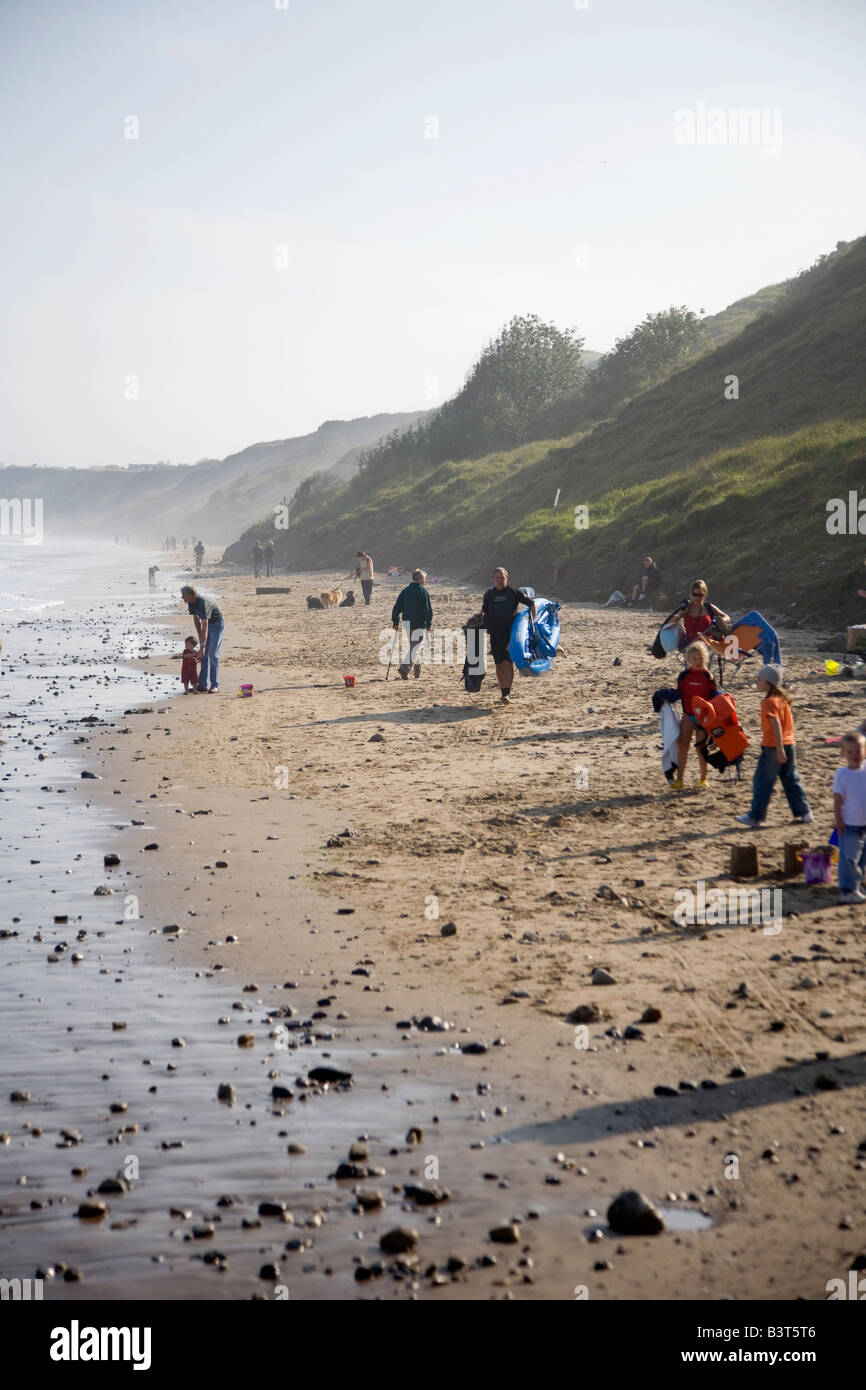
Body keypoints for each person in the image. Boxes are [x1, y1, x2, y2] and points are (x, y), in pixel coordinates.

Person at [735, 664, 813, 828]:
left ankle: (755, 816)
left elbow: (776, 724)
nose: (756, 681)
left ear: (770, 683)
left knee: (762, 781)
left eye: (759, 679)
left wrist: (779, 750)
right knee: (791, 779)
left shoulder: (769, 702)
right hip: (789, 744)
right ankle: (805, 812)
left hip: (773, 747)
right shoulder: (782, 700)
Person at [480, 567, 537, 705]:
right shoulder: (489, 594)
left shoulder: (513, 593)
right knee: (498, 663)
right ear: (493, 579)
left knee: (507, 662)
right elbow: (484, 611)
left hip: (510, 634)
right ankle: (503, 691)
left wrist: (532, 622)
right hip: (495, 633)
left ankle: (507, 693)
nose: (500, 580)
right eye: (497, 578)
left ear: (506, 578)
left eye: (502, 578)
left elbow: (532, 604)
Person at [671, 642, 719, 790]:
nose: (698, 661)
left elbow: (714, 697)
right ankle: (679, 780)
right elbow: (678, 693)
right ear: (688, 659)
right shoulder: (684, 676)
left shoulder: (708, 676)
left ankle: (703, 779)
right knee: (683, 745)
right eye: (694, 658)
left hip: (704, 718)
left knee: (701, 748)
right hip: (688, 716)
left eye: (700, 658)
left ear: (705, 659)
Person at [832, 730, 866, 904]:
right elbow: (838, 800)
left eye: (858, 751)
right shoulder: (842, 775)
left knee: (861, 858)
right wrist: (839, 821)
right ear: (842, 753)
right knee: (849, 857)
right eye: (850, 752)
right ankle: (847, 889)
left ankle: (856, 885)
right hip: (850, 824)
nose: (854, 755)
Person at [181, 585, 225, 693]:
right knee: (203, 656)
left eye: (183, 595)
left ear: (191, 595)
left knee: (212, 654)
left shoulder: (203, 603)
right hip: (208, 624)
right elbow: (197, 621)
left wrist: (202, 646)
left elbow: (205, 624)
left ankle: (215, 685)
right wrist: (200, 640)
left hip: (217, 624)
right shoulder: (191, 603)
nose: (182, 597)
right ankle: (202, 685)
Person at [391, 569, 433, 679]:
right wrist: (428, 624)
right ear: (420, 579)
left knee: (414, 646)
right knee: (416, 647)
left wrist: (395, 621)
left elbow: (396, 608)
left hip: (406, 623)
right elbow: (427, 610)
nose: (425, 580)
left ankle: (417, 672)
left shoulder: (405, 591)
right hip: (418, 623)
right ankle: (404, 669)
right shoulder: (423, 591)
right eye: (424, 578)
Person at [675, 579, 731, 656]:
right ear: (691, 594)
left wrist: (719, 621)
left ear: (705, 594)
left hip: (708, 643)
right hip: (690, 643)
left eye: (700, 595)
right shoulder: (686, 609)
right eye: (695, 595)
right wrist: (680, 613)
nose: (698, 598)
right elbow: (673, 621)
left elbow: (727, 617)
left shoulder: (709, 607)